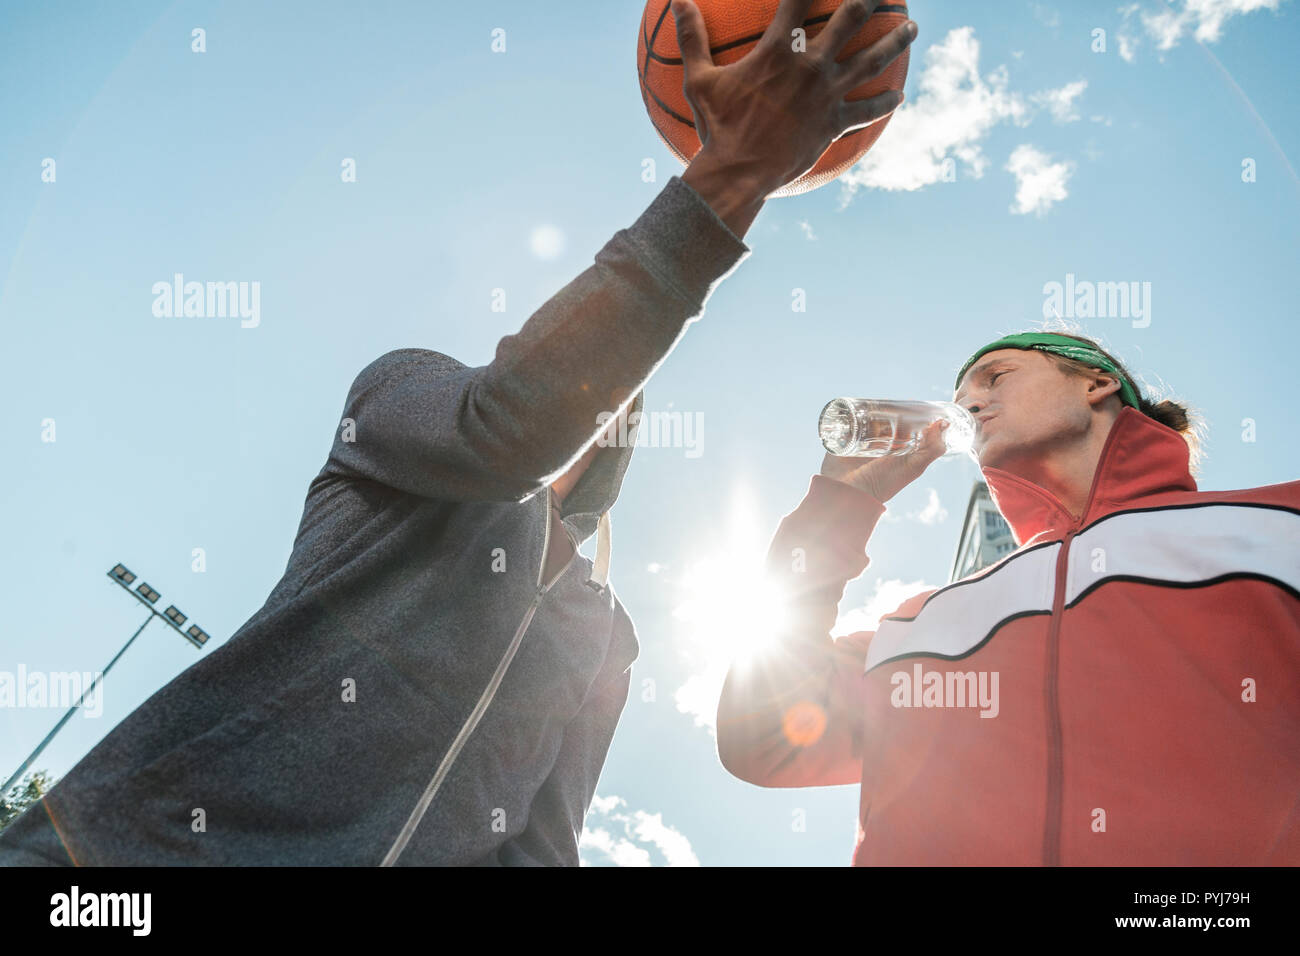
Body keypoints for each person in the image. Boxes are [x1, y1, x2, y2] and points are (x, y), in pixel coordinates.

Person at [0, 0, 918, 866]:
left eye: (614, 390)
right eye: (585, 370)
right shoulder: (399, 402)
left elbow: (542, 847)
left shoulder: (605, 634)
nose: (599, 394)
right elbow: (510, 424)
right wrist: (731, 174)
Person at [717, 330, 1300, 865]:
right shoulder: (920, 622)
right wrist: (834, 513)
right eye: (961, 393)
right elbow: (762, 735)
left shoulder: (1276, 525)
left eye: (995, 378)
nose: (968, 403)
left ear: (1097, 384)